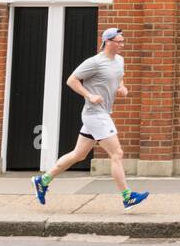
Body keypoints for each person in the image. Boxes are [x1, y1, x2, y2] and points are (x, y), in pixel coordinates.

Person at [32, 27, 148, 211]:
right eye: (119, 42)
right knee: (117, 154)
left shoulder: (119, 60)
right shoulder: (94, 62)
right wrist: (89, 95)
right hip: (95, 114)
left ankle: (43, 180)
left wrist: (122, 88)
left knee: (79, 154)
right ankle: (127, 197)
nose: (122, 45)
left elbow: (119, 78)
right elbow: (72, 80)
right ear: (108, 42)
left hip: (102, 113)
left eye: (123, 41)